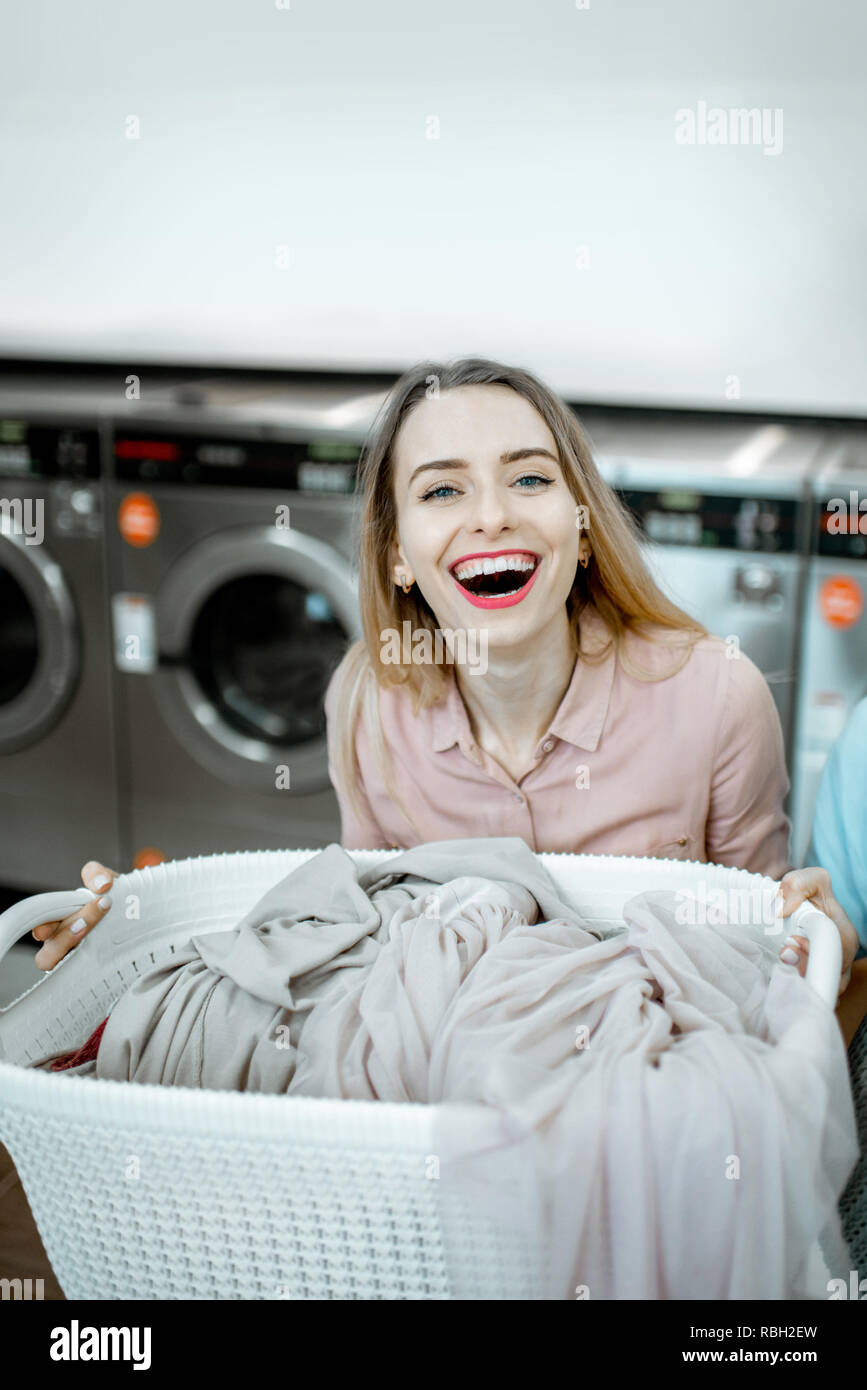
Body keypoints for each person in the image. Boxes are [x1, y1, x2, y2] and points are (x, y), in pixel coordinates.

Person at [31, 357, 860, 995]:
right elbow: (357, 936)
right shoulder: (366, 703)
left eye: (530, 478)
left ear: (579, 530)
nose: (491, 513)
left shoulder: (717, 697)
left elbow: (763, 954)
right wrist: (136, 932)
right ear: (398, 556)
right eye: (442, 490)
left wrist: (820, 933)